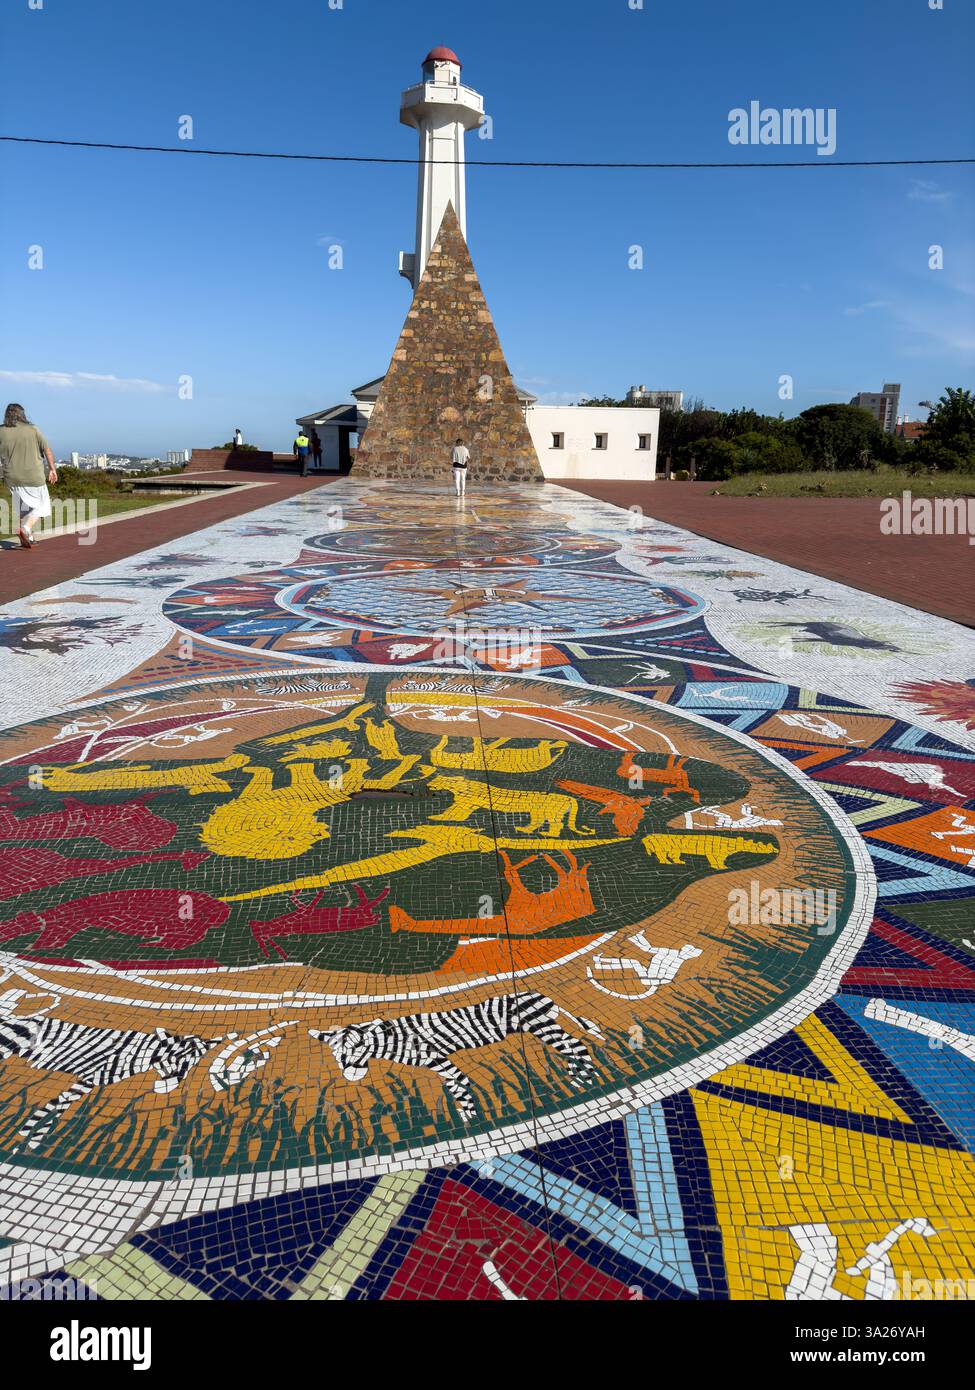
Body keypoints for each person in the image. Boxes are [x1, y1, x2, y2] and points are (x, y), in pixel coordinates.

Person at [0, 403, 57, 549]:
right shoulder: (33, 429)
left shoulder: (1, 431)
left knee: (24, 509)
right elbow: (47, 450)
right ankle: (25, 529)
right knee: (42, 505)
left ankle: (28, 538)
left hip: (11, 477)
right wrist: (52, 469)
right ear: (22, 414)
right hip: (33, 476)